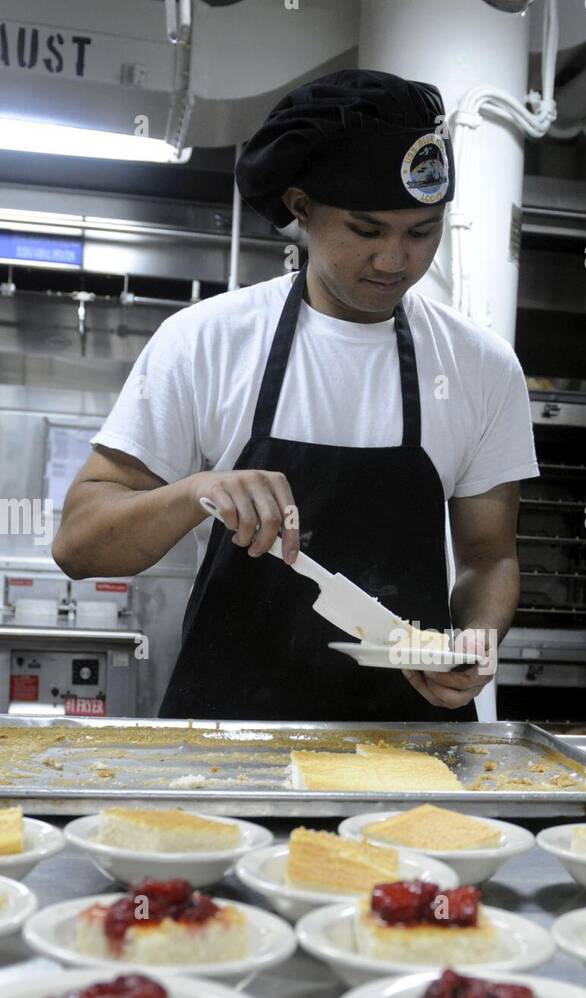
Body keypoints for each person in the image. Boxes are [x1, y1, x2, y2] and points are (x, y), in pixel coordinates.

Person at [52, 68, 539, 720]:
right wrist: (196, 491)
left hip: (412, 750)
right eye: (366, 231)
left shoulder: (482, 367)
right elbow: (79, 544)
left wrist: (476, 639)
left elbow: (488, 556)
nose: (395, 260)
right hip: (229, 741)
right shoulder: (206, 340)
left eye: (421, 232)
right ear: (301, 210)